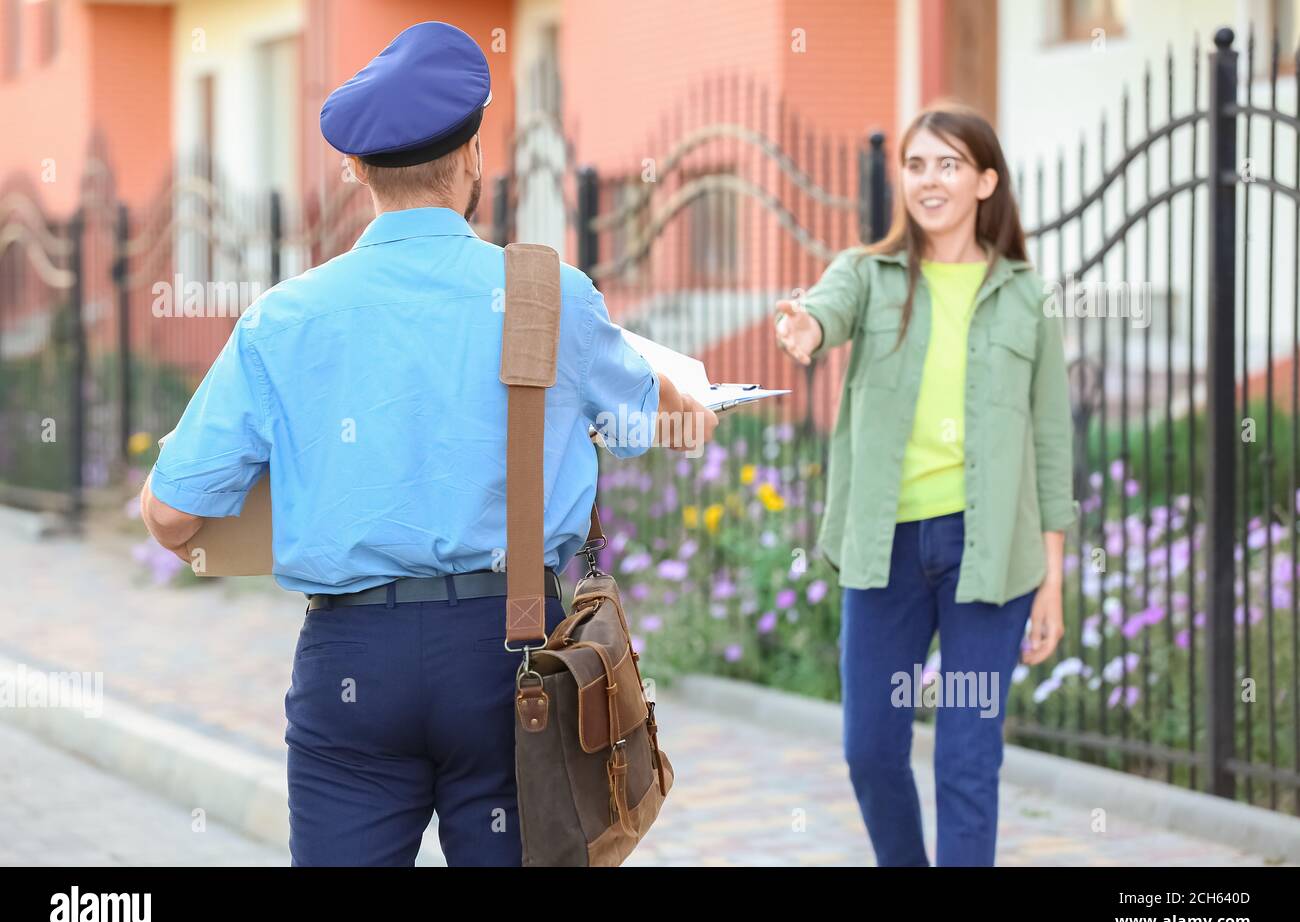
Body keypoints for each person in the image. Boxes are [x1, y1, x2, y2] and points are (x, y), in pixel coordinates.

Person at [139, 20, 715, 866]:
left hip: (353, 661)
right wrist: (685, 400)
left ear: (357, 171)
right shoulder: (548, 293)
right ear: (475, 155)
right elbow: (649, 422)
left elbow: (169, 517)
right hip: (517, 653)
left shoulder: (285, 319)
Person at [774, 103, 1079, 866]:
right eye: (916, 165)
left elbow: (1050, 446)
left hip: (993, 557)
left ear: (984, 181)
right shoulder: (867, 277)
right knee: (871, 750)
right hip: (887, 551)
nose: (929, 180)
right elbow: (824, 314)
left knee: (966, 761)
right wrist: (804, 328)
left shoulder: (1026, 299)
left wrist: (1053, 582)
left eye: (949, 164)